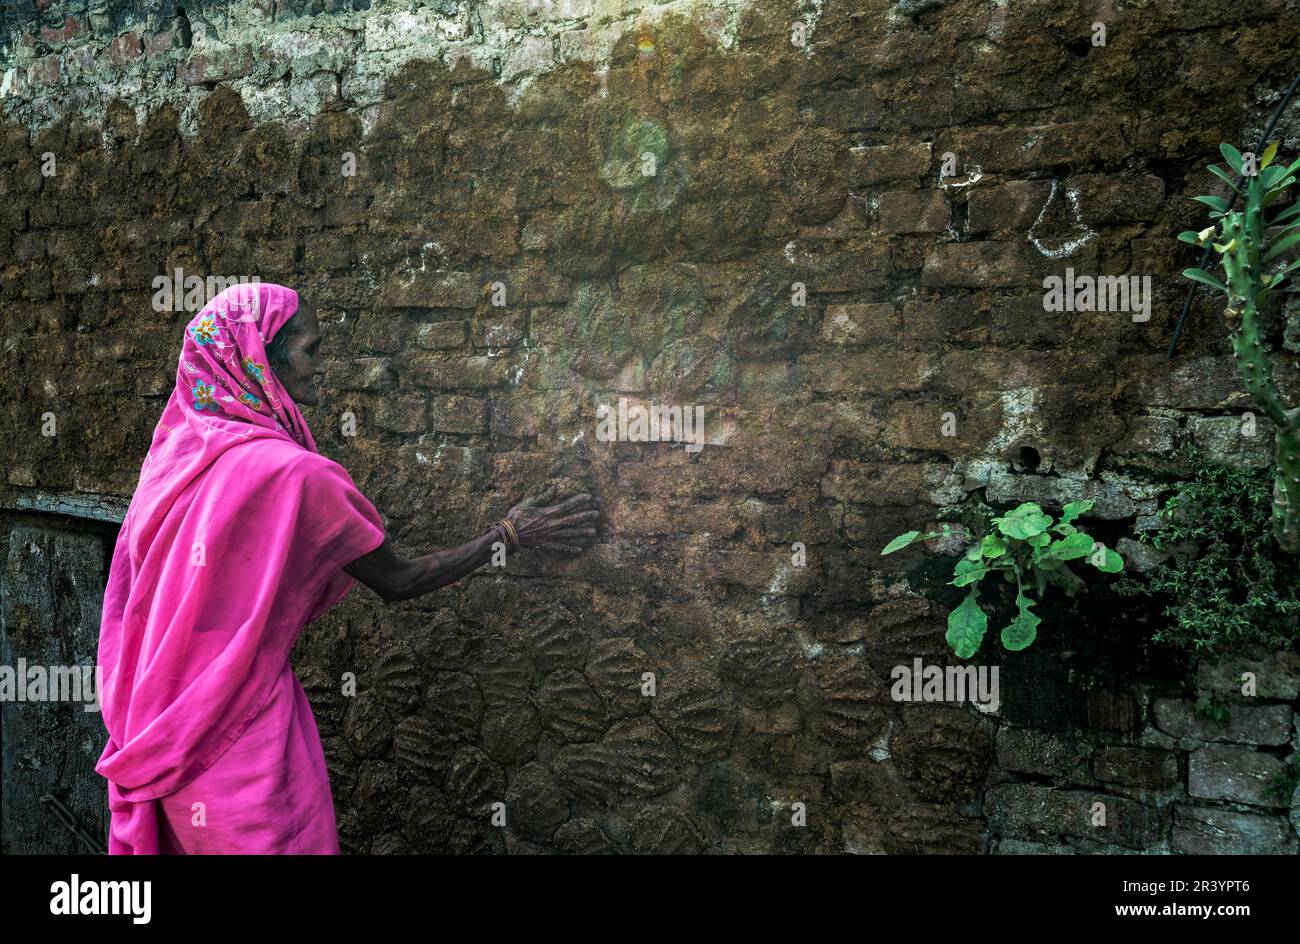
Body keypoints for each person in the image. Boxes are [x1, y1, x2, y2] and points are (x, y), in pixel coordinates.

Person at [94, 282, 597, 854]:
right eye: (310, 350)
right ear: (262, 357)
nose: (320, 366)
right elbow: (400, 580)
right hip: (241, 741)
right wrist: (506, 534)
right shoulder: (296, 477)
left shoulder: (170, 467)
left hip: (155, 736)